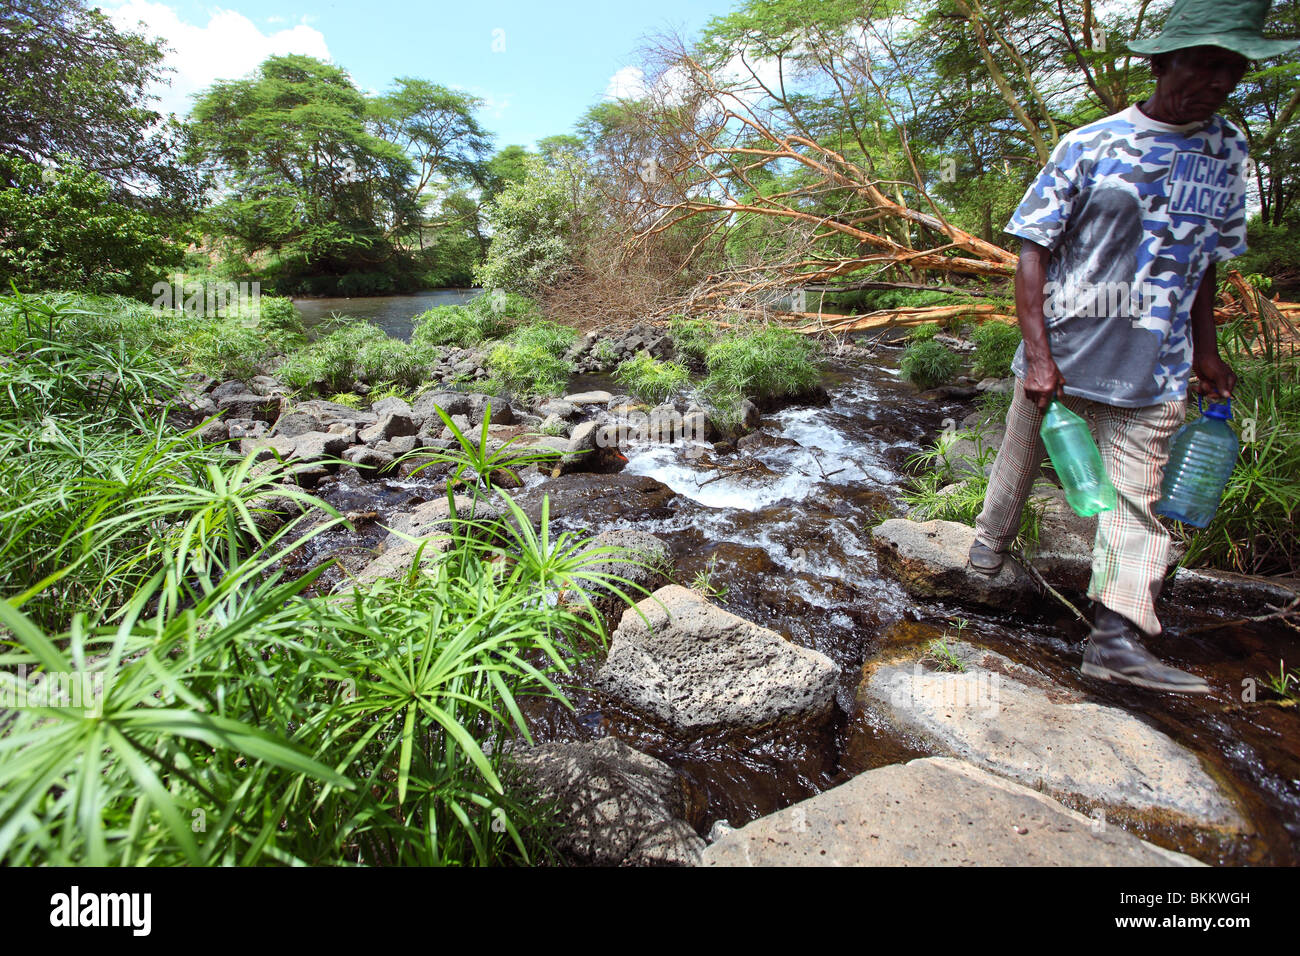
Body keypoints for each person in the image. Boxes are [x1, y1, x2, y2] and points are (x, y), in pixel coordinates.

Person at [967, 0, 1296, 694]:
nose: (1216, 82)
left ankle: (1114, 637)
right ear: (1159, 64)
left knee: (1136, 502)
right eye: (1203, 64)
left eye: (1230, 70)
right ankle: (985, 554)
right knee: (1019, 463)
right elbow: (1033, 250)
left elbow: (1205, 261)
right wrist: (1041, 356)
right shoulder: (1089, 145)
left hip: (1157, 368)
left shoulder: (1228, 150)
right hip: (1068, 350)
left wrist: (1207, 353)